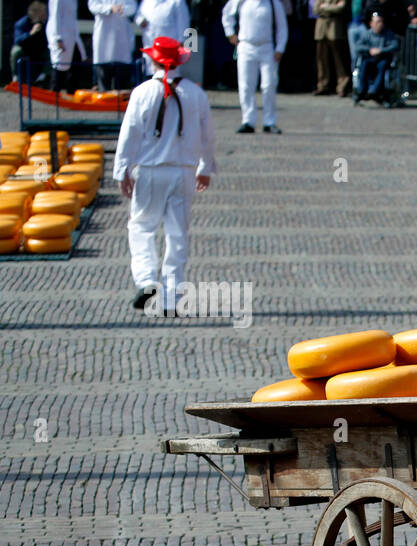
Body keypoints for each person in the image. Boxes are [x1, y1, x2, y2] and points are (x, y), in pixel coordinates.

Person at [115, 35, 216, 315]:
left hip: (149, 170)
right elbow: (208, 136)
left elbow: (129, 133)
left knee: (141, 227)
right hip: (183, 172)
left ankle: (147, 280)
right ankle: (172, 297)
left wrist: (122, 169)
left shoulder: (142, 91)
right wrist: (205, 167)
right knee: (177, 234)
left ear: (153, 59)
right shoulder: (196, 93)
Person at [223, 0, 289, 133]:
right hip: (246, 46)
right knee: (246, 85)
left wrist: (280, 48)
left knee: (269, 85)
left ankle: (269, 121)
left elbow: (282, 27)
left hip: (267, 47)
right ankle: (248, 120)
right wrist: (230, 32)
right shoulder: (240, 1)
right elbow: (226, 14)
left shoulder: (272, 3)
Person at [89, 0, 138, 91]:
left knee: (122, 86)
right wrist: (110, 8)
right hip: (103, 42)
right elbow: (92, 6)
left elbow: (133, 7)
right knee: (103, 84)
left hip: (122, 43)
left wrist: (123, 9)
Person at [352, 11, 398, 104]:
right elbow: (357, 46)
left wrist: (381, 50)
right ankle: (361, 91)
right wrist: (369, 50)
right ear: (371, 23)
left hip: (382, 59)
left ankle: (374, 91)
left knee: (383, 66)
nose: (379, 24)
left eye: (381, 22)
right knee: (363, 65)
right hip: (370, 58)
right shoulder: (367, 34)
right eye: (377, 22)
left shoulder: (388, 34)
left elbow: (395, 45)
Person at [137, 0, 191, 76]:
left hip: (169, 51)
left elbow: (183, 23)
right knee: (150, 76)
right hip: (150, 48)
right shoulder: (146, 2)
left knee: (169, 76)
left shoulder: (177, 2)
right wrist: (140, 21)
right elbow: (138, 16)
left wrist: (182, 42)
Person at [314, 0, 353, 97]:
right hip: (321, 27)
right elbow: (316, 9)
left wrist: (325, 7)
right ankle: (322, 85)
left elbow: (340, 8)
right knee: (321, 58)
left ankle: (342, 85)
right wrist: (331, 7)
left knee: (339, 58)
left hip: (335, 26)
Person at [47, 0, 87, 91]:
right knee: (59, 67)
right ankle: (54, 94)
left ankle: (72, 92)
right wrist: (57, 38)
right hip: (61, 37)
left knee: (77, 62)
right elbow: (54, 17)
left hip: (73, 37)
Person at [13, 2, 51, 84]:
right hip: (26, 48)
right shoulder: (22, 23)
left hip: (41, 49)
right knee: (15, 51)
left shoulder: (48, 23)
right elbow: (17, 40)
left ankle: (44, 76)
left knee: (52, 52)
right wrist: (31, 33)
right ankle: (15, 76)